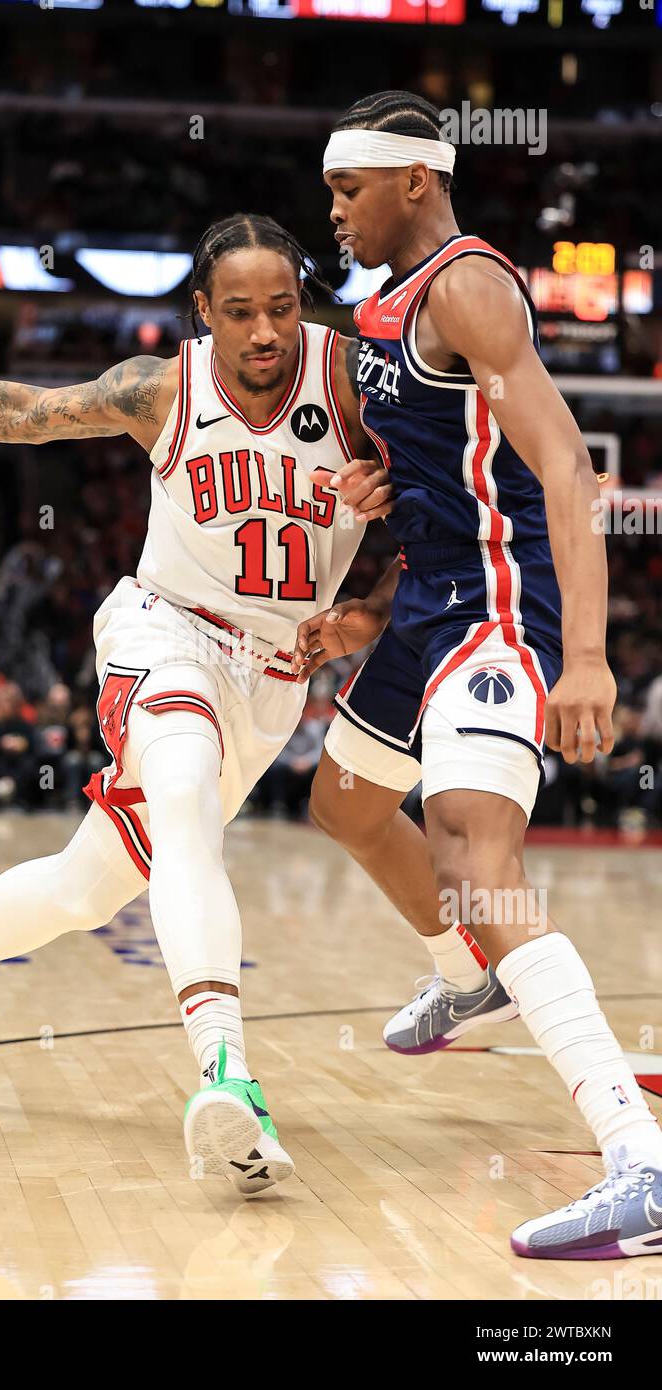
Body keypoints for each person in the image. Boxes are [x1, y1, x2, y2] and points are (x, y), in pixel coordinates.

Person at [0, 213, 393, 1197]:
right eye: (237, 312)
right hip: (165, 636)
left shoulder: (355, 386)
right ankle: (227, 1071)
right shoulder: (160, 390)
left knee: (81, 892)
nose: (262, 332)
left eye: (281, 307)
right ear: (203, 313)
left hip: (273, 683)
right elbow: (23, 410)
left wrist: (368, 597)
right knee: (186, 805)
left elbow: (439, 517)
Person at [293, 90, 662, 1258]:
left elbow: (562, 470)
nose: (334, 214)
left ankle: (637, 1161)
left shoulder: (467, 283)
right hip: (424, 604)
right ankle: (468, 976)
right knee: (343, 802)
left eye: (347, 190)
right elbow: (435, 483)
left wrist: (589, 654)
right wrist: (366, 590)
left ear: (412, 180)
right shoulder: (381, 312)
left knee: (468, 845)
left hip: (500, 607)